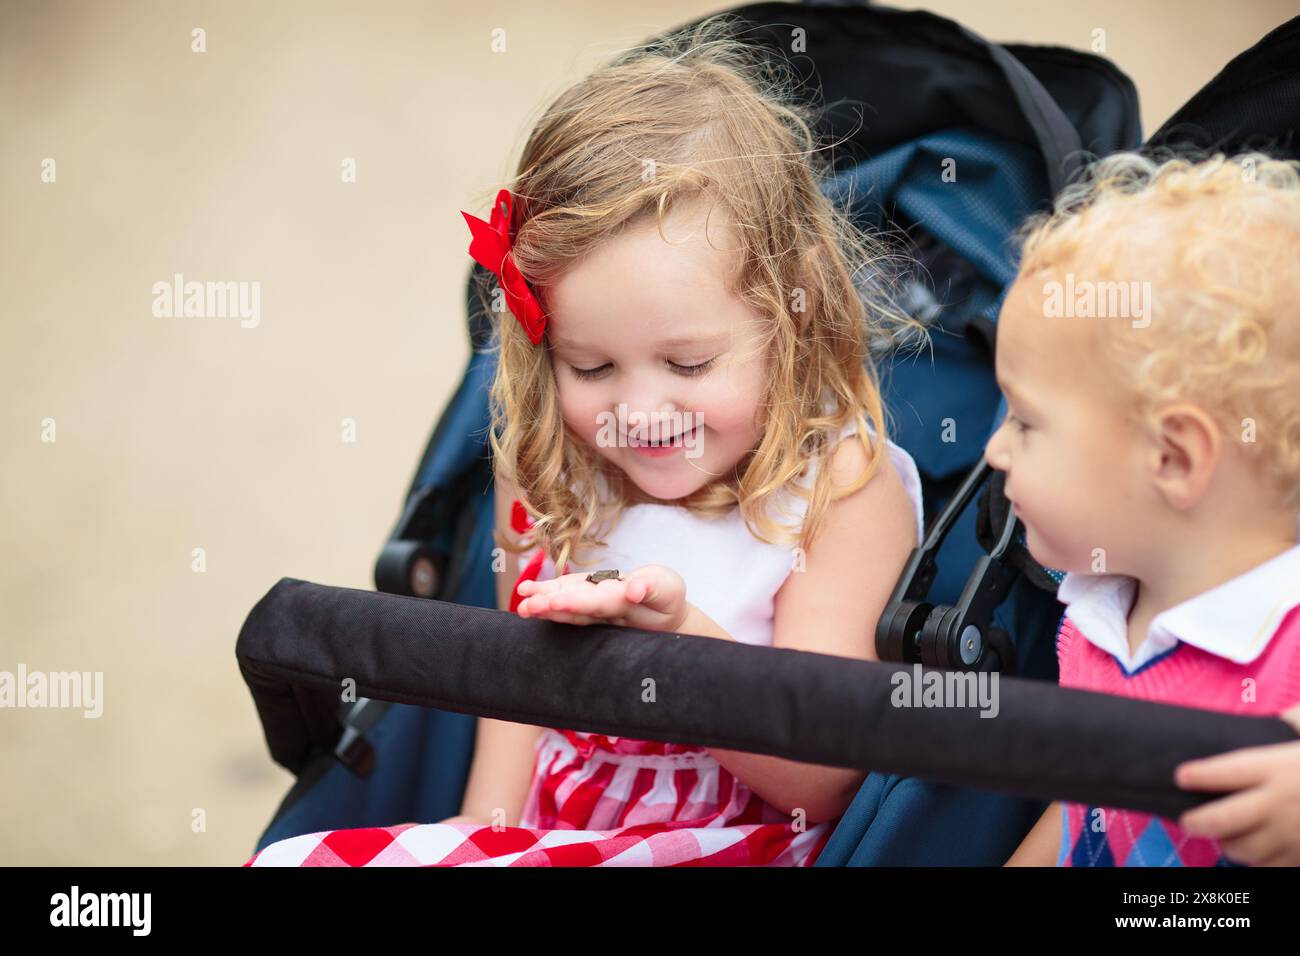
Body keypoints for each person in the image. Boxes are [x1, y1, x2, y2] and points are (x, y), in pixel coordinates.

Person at [245, 15, 924, 868]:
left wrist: (677, 645)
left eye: (687, 362)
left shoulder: (837, 487)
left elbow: (826, 778)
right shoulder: (552, 466)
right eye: (592, 366)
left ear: (791, 318)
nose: (640, 413)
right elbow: (511, 681)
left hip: (733, 840)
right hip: (550, 827)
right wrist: (481, 825)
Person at [988, 151, 1300, 866]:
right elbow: (1083, 815)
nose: (996, 451)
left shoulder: (1285, 644)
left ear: (1173, 459)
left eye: (1026, 423)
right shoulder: (1096, 619)